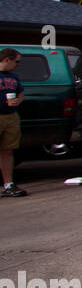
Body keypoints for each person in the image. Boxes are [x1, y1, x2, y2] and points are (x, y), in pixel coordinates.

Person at [0, 48, 26, 198]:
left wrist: (18, 100)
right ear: (7, 59)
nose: (17, 65)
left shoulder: (13, 77)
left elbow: (21, 93)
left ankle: (8, 185)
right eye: (16, 62)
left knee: (7, 151)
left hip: (11, 116)